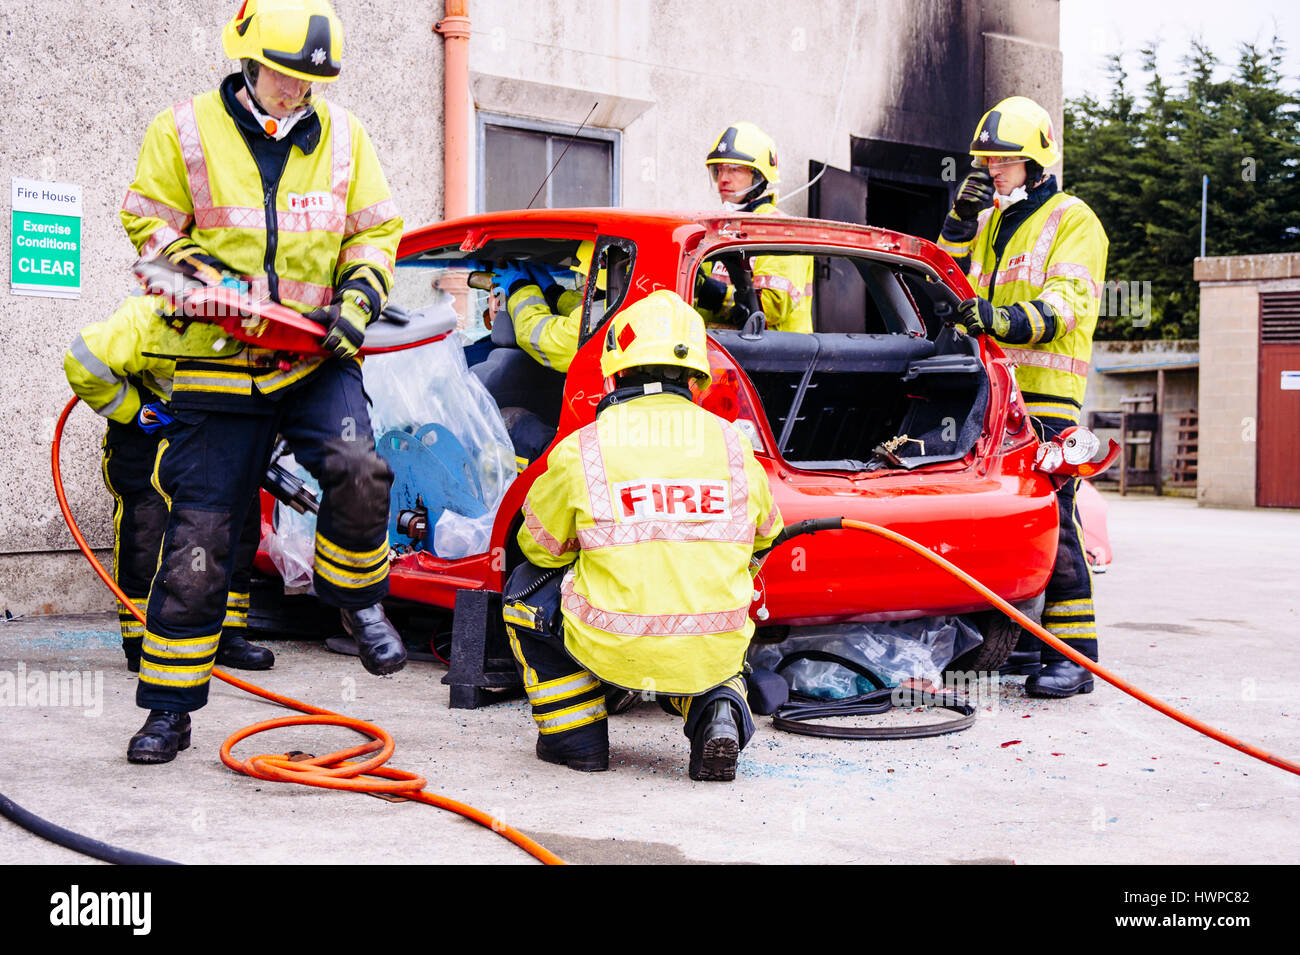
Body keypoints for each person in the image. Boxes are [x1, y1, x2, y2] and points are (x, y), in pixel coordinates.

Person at [117, 0, 404, 763]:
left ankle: (358, 601)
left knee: (357, 468)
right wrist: (206, 279)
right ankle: (169, 711)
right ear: (249, 60)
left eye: (309, 80)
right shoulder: (181, 129)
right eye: (283, 75)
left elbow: (374, 230)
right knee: (200, 542)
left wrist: (358, 301)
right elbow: (148, 227)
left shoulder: (346, 137)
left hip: (316, 359)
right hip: (218, 363)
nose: (294, 92)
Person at [503, 290, 784, 781]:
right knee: (704, 647)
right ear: (696, 378)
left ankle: (577, 739)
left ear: (617, 370)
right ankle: (716, 711)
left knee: (523, 591)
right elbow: (766, 536)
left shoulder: (584, 447)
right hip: (713, 641)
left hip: (611, 641)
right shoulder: (735, 444)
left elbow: (537, 548)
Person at [937, 96, 1109, 698]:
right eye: (984, 160)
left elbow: (1066, 305)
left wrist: (1000, 320)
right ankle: (1029, 644)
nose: (991, 170)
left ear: (1035, 163)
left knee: (1054, 521)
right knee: (1004, 525)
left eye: (1003, 160)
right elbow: (951, 286)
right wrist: (958, 228)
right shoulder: (991, 222)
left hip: (1048, 399)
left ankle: (1075, 657)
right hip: (992, 398)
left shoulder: (1073, 219)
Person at [64, 296, 274, 674]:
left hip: (212, 430)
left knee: (234, 524)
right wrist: (134, 410)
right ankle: (143, 636)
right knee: (147, 528)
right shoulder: (151, 315)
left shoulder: (254, 319)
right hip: (145, 437)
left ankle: (224, 634)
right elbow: (84, 362)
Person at [696, 122, 813, 334]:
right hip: (724, 355)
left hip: (775, 360)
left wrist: (715, 296)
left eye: (734, 170)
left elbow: (771, 308)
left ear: (758, 175)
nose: (723, 178)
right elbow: (696, 293)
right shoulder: (720, 228)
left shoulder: (780, 230)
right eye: (718, 170)